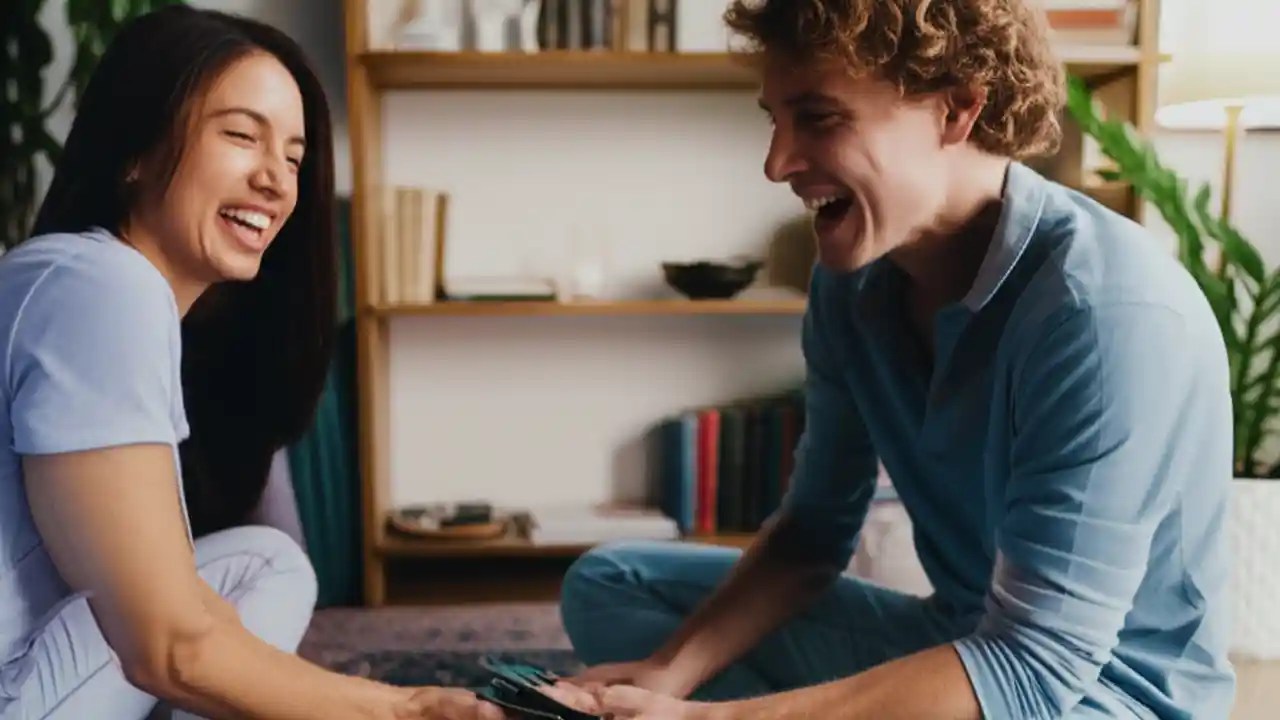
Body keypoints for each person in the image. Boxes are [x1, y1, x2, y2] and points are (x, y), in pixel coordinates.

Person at [558, 1, 1236, 718]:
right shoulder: (850, 285)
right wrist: (669, 676)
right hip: (967, 644)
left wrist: (713, 717)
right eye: (774, 120)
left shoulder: (1105, 312)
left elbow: (1037, 666)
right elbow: (812, 535)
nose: (777, 162)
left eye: (818, 118)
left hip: (1098, 694)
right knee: (616, 582)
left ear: (956, 111)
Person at [0, 7, 502, 720]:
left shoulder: (65, 274)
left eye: (294, 158)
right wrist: (407, 708)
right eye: (240, 135)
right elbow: (169, 647)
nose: (275, 179)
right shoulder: (105, 288)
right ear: (133, 150)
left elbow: (171, 608)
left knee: (266, 563)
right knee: (222, 614)